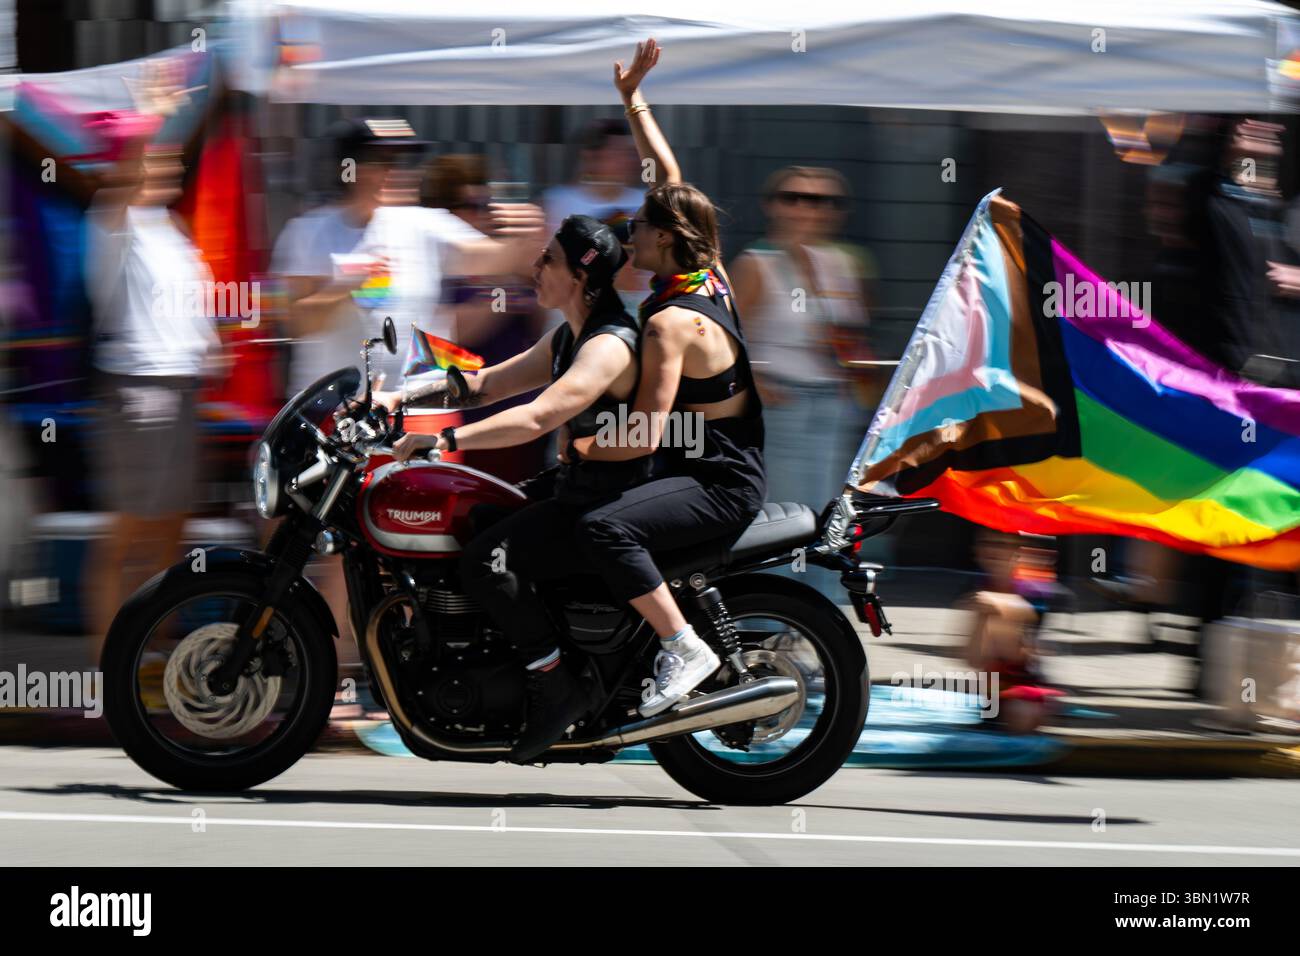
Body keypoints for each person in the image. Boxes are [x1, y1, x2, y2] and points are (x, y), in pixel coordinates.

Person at [381, 215, 645, 763]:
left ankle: (557, 684)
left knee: (485, 561)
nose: (535, 266)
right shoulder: (569, 334)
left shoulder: (609, 345)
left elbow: (538, 418)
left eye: (547, 259)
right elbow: (481, 384)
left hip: (607, 500)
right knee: (475, 520)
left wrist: (442, 438)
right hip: (575, 485)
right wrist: (397, 400)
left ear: (579, 276)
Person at [566, 37, 767, 718]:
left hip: (716, 480)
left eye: (637, 229)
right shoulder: (705, 271)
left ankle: (683, 646)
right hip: (708, 465)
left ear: (667, 240)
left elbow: (647, 430)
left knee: (604, 529)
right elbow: (668, 180)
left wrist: (582, 445)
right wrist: (633, 100)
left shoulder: (669, 323)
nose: (628, 236)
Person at [83, 72, 224, 648]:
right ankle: (106, 671)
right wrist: (152, 112)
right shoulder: (111, 218)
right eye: (154, 155)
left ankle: (151, 656)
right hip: (137, 389)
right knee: (128, 532)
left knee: (170, 531)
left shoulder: (172, 228)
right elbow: (126, 170)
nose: (169, 162)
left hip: (181, 389)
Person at [728, 165, 870, 598]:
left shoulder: (843, 263)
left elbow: (853, 336)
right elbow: (721, 338)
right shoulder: (757, 263)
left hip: (831, 404)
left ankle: (823, 620)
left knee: (831, 519)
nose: (806, 208)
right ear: (771, 205)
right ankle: (776, 617)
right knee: (785, 520)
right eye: (793, 197)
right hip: (783, 406)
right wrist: (759, 383)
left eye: (821, 200)